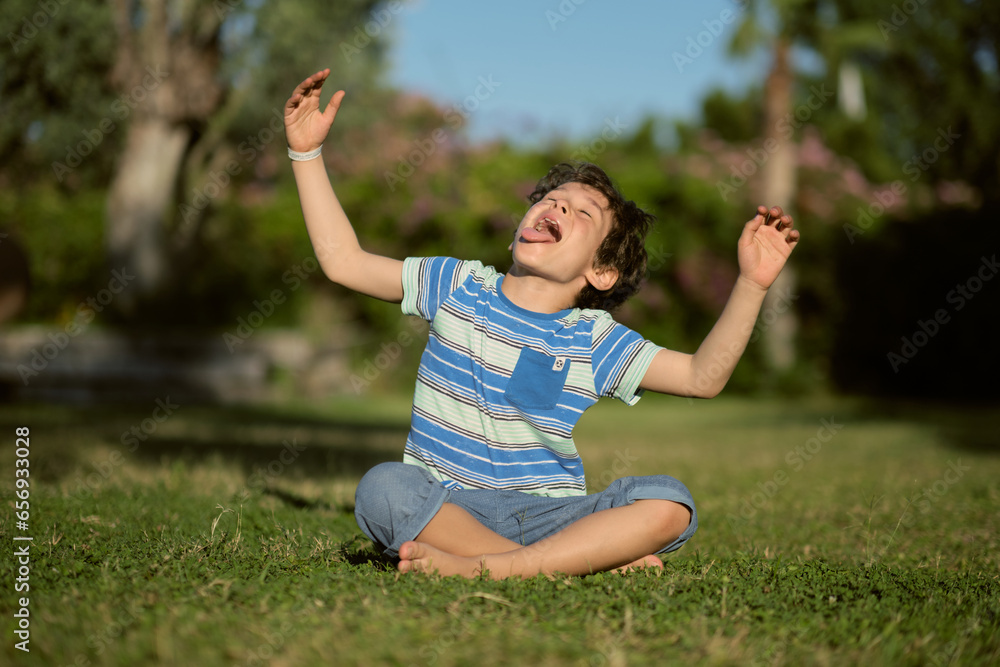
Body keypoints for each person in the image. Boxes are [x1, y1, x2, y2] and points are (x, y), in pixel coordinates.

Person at [284, 69, 800, 579]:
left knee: (670, 502)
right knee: (385, 489)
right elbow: (343, 262)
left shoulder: (592, 340)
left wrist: (752, 285)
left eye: (582, 212)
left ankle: (491, 567)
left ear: (601, 272)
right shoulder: (456, 284)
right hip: (450, 507)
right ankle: (570, 564)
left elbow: (700, 378)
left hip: (554, 516)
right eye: (550, 201)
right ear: (516, 235)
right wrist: (306, 154)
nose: (557, 206)